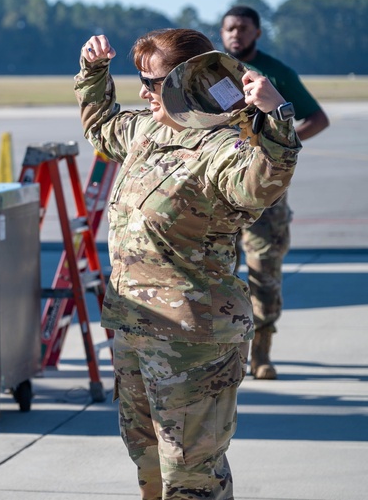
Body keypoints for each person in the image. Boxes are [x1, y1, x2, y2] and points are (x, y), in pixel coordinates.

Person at [77, 29, 300, 499]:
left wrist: (276, 119)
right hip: (135, 328)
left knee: (191, 474)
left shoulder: (223, 146)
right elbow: (102, 126)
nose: (142, 92)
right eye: (138, 79)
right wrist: (94, 72)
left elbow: (258, 185)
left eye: (151, 83)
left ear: (186, 81)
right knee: (147, 460)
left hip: (194, 340)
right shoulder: (148, 129)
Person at [220, 5, 330, 379]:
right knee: (218, 275)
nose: (236, 34)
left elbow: (317, 118)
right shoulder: (209, 72)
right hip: (220, 191)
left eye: (243, 28)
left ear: (257, 33)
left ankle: (261, 355)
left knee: (264, 273)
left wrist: (282, 144)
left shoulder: (276, 73)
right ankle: (226, 353)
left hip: (265, 192)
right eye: (230, 28)